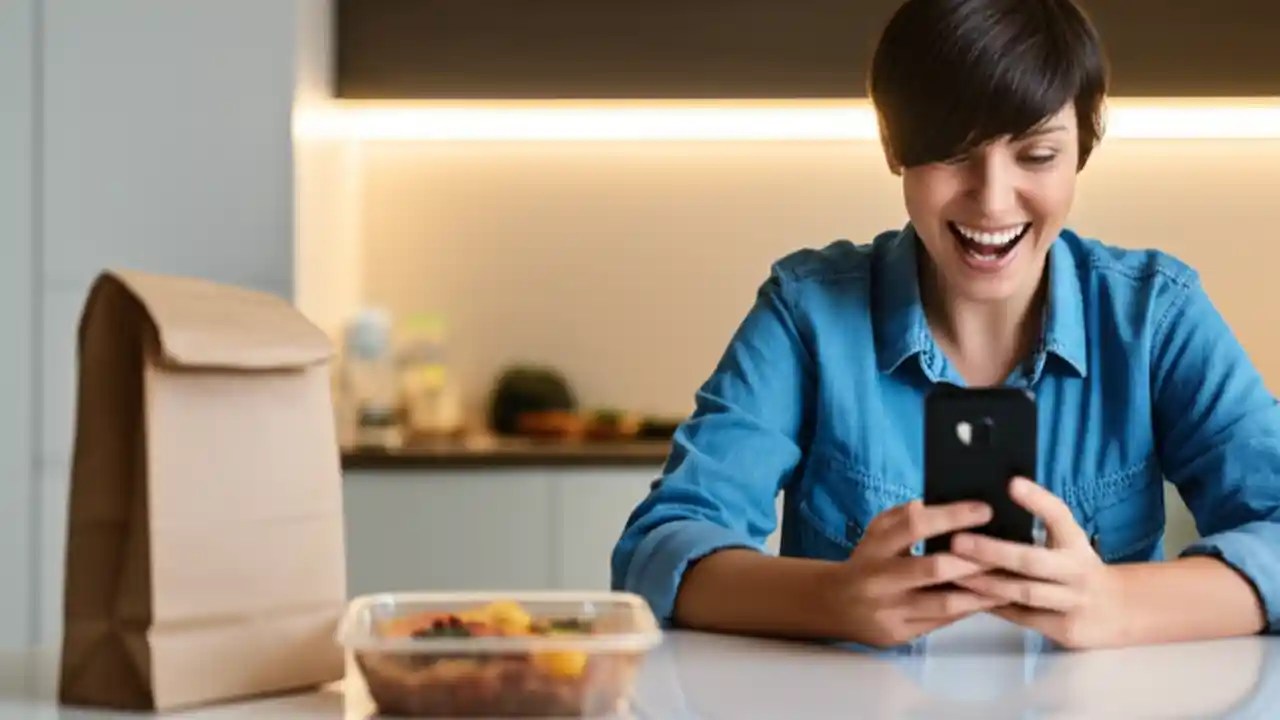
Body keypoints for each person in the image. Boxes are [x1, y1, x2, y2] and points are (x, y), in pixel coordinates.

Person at [610, 0, 1280, 650]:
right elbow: (662, 545)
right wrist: (833, 600)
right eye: (954, 153)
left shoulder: (1155, 315)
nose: (991, 199)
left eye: (1037, 156)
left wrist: (1120, 606)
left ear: (1082, 148)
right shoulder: (806, 312)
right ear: (894, 146)